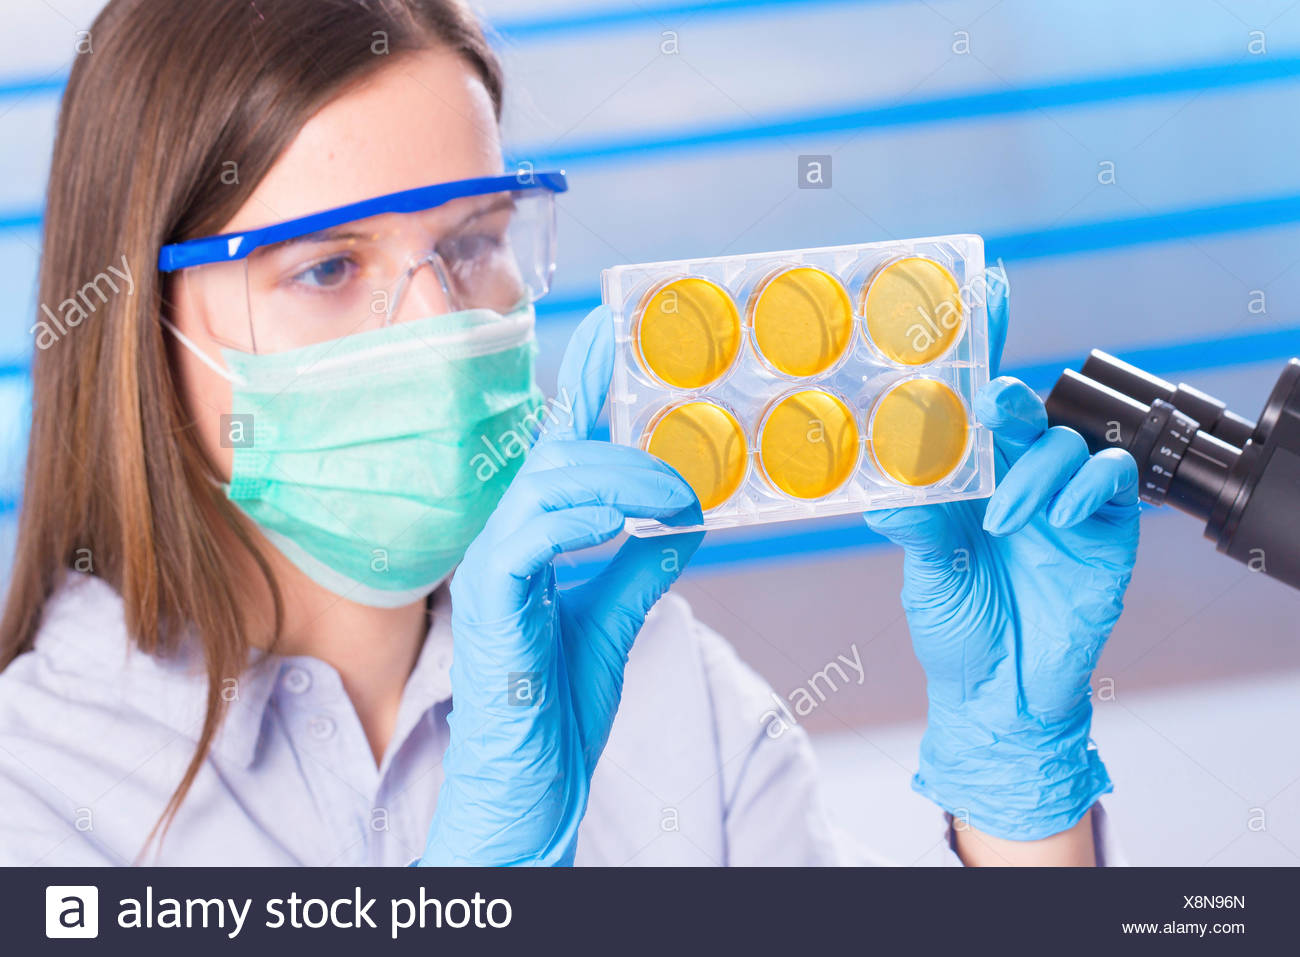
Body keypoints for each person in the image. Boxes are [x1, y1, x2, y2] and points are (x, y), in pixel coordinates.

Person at [0, 0, 1139, 867]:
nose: (441, 327)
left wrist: (1017, 810)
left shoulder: (670, 693)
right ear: (141, 327)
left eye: (473, 238)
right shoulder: (37, 796)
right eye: (330, 268)